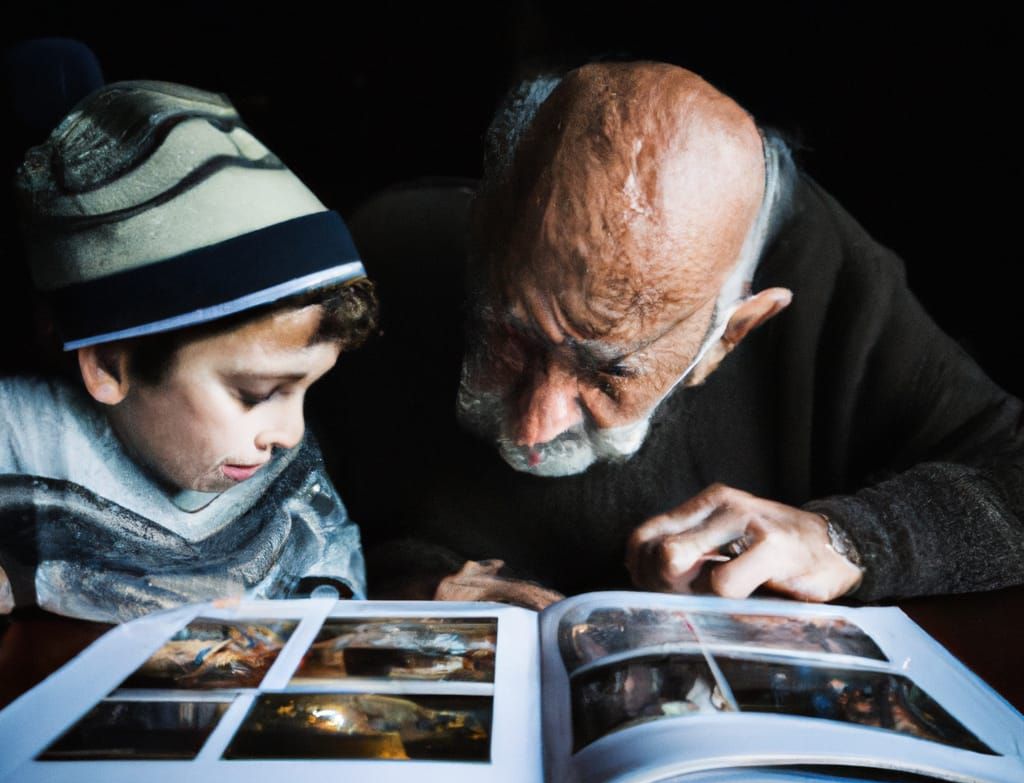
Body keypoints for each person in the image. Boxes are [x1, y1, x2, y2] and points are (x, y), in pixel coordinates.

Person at [320, 61, 1024, 608]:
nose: (535, 427)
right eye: (512, 337)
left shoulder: (827, 276)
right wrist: (403, 589)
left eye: (610, 371)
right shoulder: (387, 256)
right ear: (485, 230)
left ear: (730, 334)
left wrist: (850, 538)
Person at [0, 80, 376, 622]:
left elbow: (334, 577)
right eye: (255, 393)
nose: (290, 432)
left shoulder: (275, 467)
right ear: (110, 364)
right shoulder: (22, 437)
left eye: (305, 389)